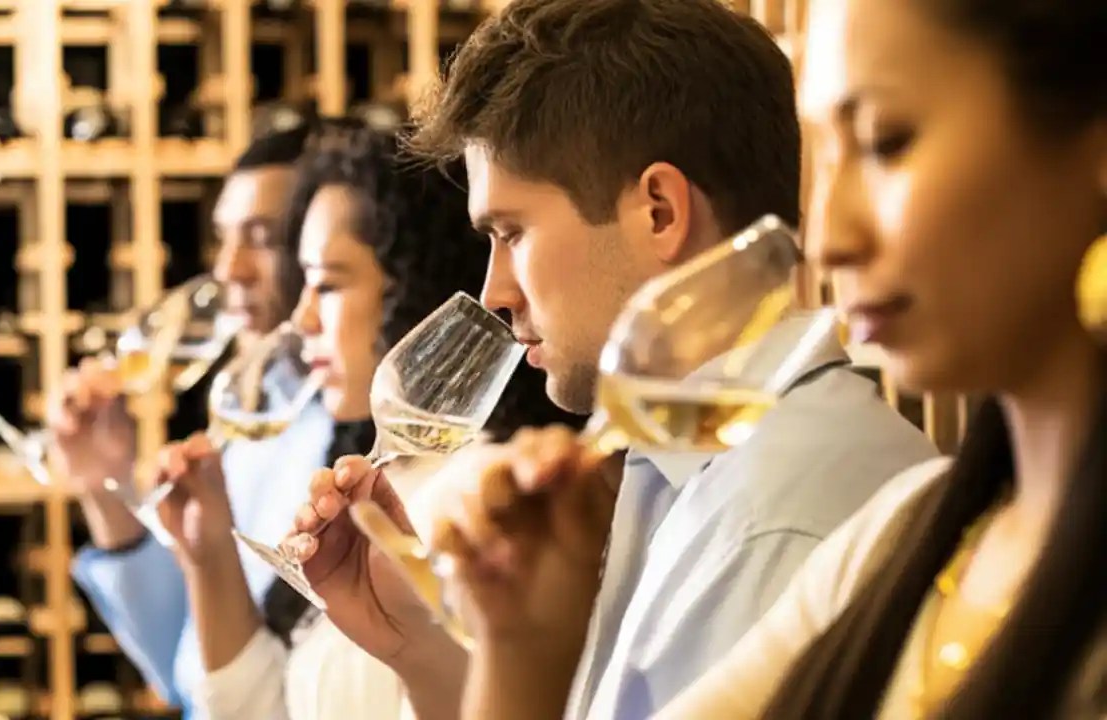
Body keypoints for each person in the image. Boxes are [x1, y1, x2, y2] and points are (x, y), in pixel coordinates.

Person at [441, 0, 1107, 717]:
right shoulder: (898, 533)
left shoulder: (796, 515)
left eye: (884, 142)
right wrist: (521, 649)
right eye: (828, 157)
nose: (827, 239)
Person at [281, 1, 939, 717]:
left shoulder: (773, 520)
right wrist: (419, 643)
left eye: (512, 232)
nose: (495, 293)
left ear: (660, 211)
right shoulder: (676, 468)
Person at [147, 123, 583, 720]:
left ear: (415, 289)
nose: (302, 320)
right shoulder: (384, 486)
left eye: (327, 285)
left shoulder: (481, 500)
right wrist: (210, 558)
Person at [54, 123, 330, 719]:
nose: (229, 269)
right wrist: (106, 483)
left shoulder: (356, 443)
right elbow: (187, 674)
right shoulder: (257, 419)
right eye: (224, 238)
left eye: (262, 237)